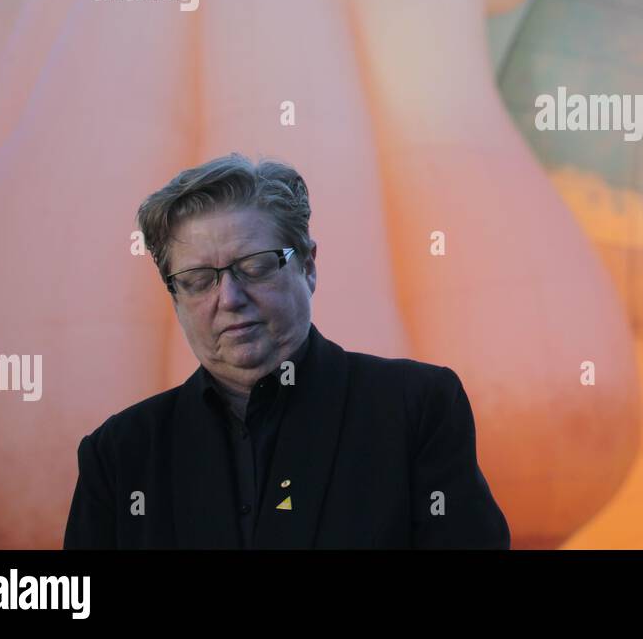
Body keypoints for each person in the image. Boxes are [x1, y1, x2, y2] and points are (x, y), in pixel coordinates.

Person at [63, 153, 510, 548]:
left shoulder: (417, 406)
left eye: (255, 267)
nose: (230, 298)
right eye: (199, 280)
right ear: (174, 296)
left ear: (309, 265)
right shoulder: (119, 454)